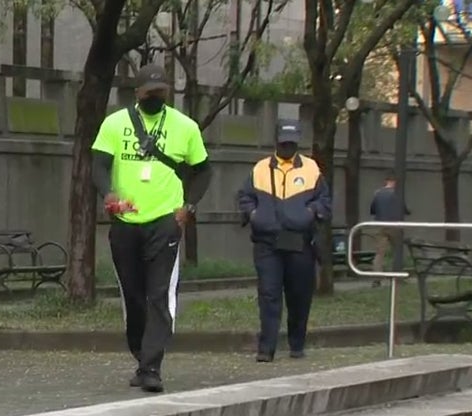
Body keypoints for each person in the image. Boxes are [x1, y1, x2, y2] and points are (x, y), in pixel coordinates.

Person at [90, 64, 213, 393]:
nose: (155, 98)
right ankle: (140, 353)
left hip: (165, 221)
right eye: (149, 93)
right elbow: (98, 165)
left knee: (159, 294)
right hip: (125, 222)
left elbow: (202, 171)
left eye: (161, 93)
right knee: (133, 295)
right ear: (137, 94)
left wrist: (188, 207)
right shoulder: (114, 124)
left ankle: (151, 366)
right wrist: (108, 193)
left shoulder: (185, 127)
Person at [236, 119, 332, 362]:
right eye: (283, 142)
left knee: (299, 294)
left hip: (299, 241)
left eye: (292, 143)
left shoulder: (311, 169)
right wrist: (254, 215)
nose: (287, 147)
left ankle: (297, 344)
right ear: (276, 142)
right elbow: (245, 197)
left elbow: (324, 200)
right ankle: (266, 348)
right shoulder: (260, 169)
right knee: (269, 293)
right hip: (267, 242)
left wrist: (311, 213)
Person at [369, 174, 408, 286]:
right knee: (397, 251)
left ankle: (377, 278)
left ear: (385, 181)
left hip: (380, 225)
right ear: (394, 182)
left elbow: (372, 210)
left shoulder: (378, 193)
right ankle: (397, 276)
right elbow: (404, 209)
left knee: (379, 253)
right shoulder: (397, 194)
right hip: (394, 225)